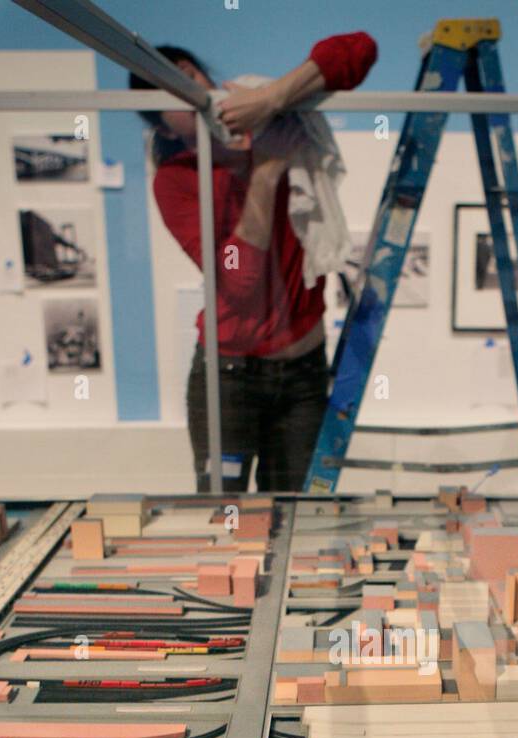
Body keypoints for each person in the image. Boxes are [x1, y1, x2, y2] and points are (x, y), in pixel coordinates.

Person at [130, 33, 377, 493]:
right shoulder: (179, 180)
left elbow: (360, 49)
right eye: (170, 96)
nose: (189, 93)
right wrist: (266, 171)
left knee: (296, 516)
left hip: (303, 371)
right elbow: (238, 277)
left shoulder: (276, 120)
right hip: (229, 378)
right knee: (224, 520)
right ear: (166, 129)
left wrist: (273, 97)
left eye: (188, 76)